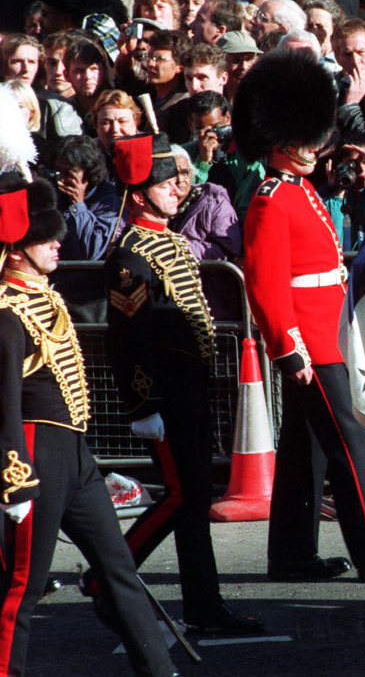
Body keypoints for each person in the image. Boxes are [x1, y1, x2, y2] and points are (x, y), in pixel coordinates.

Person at [233, 49, 365, 582]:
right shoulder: (273, 197)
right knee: (349, 441)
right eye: (303, 138)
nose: (311, 145)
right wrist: (288, 347)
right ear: (281, 140)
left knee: (306, 452)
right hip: (309, 344)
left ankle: (292, 555)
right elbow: (266, 284)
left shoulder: (300, 190)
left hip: (326, 335)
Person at [0, 168, 180, 677]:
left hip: (74, 453)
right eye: (45, 240)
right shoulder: (6, 313)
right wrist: (14, 481)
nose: (58, 245)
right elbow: (4, 405)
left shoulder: (45, 296)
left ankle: (159, 670)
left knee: (118, 568)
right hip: (35, 454)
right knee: (23, 587)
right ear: (16, 250)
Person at [100, 132, 261, 634]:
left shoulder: (167, 240)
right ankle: (108, 576)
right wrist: (143, 404)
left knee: (193, 499)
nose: (177, 187)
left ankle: (204, 607)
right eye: (166, 181)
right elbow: (129, 340)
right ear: (140, 191)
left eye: (179, 179)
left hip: (190, 390)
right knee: (177, 497)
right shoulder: (130, 256)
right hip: (164, 396)